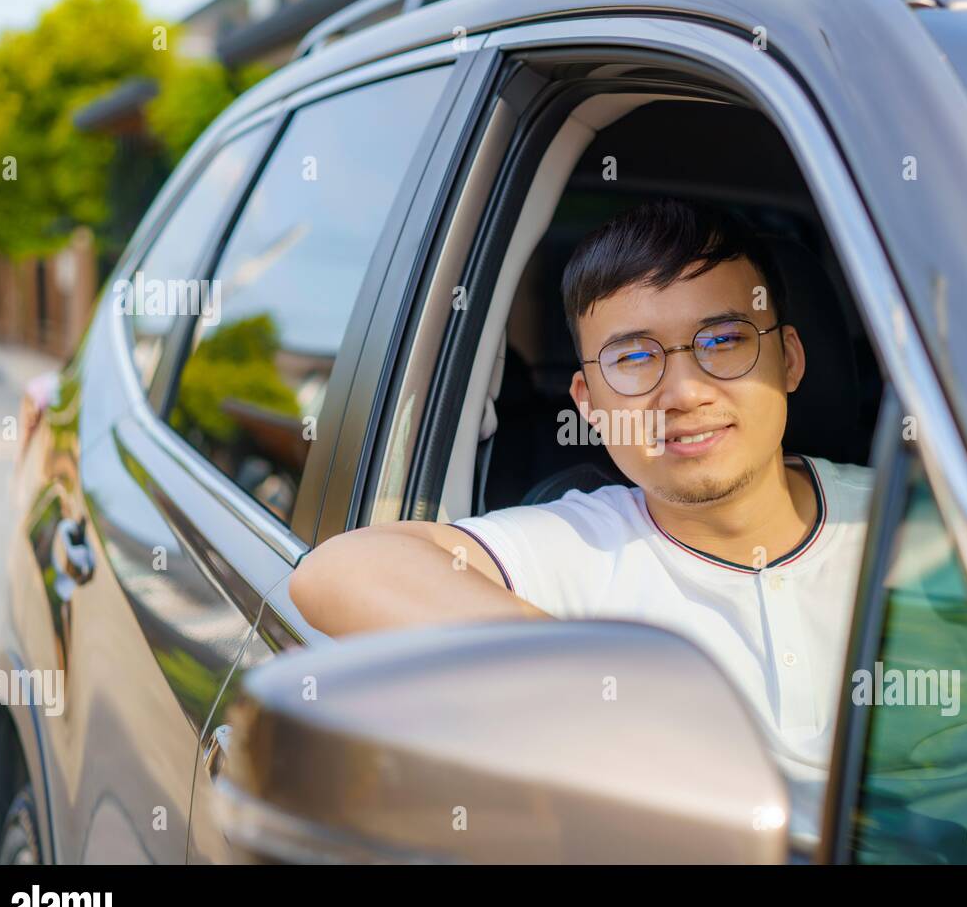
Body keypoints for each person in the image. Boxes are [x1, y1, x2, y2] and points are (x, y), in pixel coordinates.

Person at [289, 197, 875, 804]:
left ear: (791, 359)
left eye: (723, 340)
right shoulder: (580, 545)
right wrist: (593, 675)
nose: (684, 392)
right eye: (634, 358)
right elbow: (336, 572)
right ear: (589, 405)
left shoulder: (913, 524)